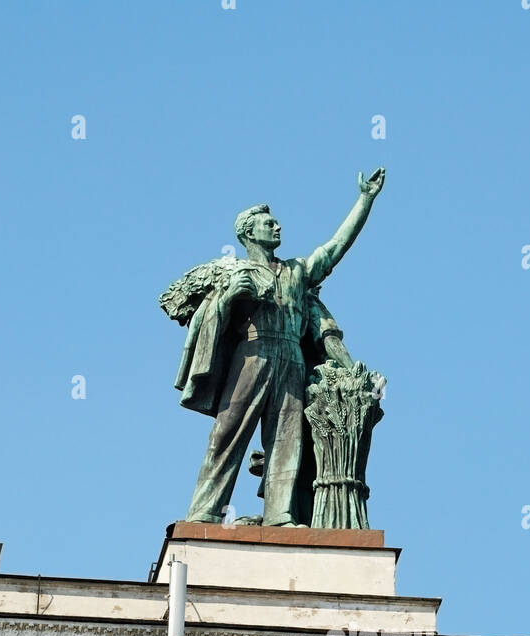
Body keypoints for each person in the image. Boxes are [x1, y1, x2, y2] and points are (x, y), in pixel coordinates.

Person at [161, 169, 385, 526]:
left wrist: (365, 200)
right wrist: (233, 296)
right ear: (249, 232)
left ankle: (278, 514)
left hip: (291, 358)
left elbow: (334, 248)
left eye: (277, 223)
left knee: (287, 439)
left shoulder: (296, 271)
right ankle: (205, 512)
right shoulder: (235, 272)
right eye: (270, 223)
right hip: (251, 354)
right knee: (228, 432)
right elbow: (209, 317)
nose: (278, 228)